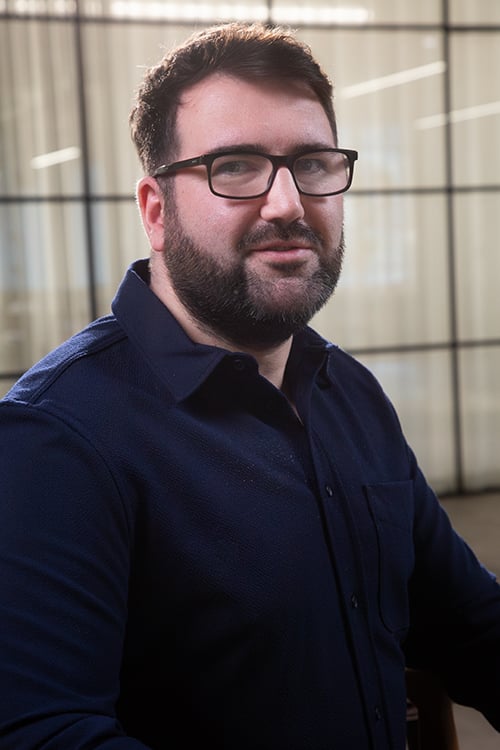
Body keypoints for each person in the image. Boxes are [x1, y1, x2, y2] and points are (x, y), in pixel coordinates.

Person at [0, 22, 499, 750]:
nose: (288, 204)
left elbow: (468, 623)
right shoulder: (56, 438)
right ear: (156, 211)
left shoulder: (349, 392)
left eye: (313, 163)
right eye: (234, 166)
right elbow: (44, 732)